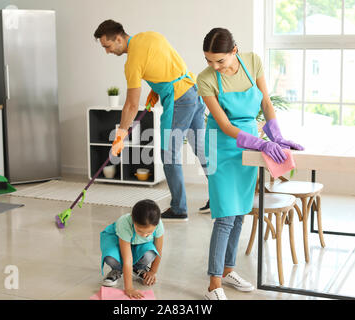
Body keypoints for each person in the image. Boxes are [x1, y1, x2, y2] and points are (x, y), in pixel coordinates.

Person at [197, 28, 304, 300]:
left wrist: (276, 136)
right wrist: (260, 143)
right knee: (224, 215)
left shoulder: (253, 61)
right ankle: (213, 284)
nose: (214, 67)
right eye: (209, 60)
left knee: (238, 214)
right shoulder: (206, 79)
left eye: (219, 60)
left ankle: (229, 270)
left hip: (250, 143)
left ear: (234, 51)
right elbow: (222, 123)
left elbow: (266, 102)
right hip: (222, 144)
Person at [94, 20, 209, 221]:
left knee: (168, 153)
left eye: (108, 46)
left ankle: (179, 208)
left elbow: (131, 104)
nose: (107, 51)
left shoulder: (131, 63)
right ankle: (221, 199)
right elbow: (165, 66)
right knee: (201, 148)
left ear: (119, 38)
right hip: (192, 90)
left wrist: (120, 135)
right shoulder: (150, 36)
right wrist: (156, 89)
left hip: (179, 100)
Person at [100, 199, 164, 299]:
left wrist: (152, 272)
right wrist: (129, 288)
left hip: (138, 244)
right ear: (133, 220)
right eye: (140, 231)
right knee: (110, 258)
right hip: (117, 240)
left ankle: (137, 268)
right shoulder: (124, 224)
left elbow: (159, 250)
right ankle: (117, 270)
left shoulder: (158, 224)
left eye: (149, 232)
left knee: (151, 253)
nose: (145, 235)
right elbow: (127, 259)